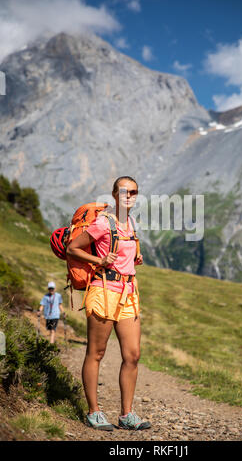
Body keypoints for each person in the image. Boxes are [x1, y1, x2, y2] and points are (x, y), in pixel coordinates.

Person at [66, 176, 151, 431]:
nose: (129, 196)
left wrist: (135, 258)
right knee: (97, 353)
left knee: (132, 355)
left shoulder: (131, 222)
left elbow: (124, 253)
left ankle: (127, 415)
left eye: (133, 192)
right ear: (114, 194)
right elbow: (73, 248)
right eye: (124, 191)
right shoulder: (104, 222)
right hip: (103, 290)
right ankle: (94, 411)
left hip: (128, 293)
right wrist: (99, 261)